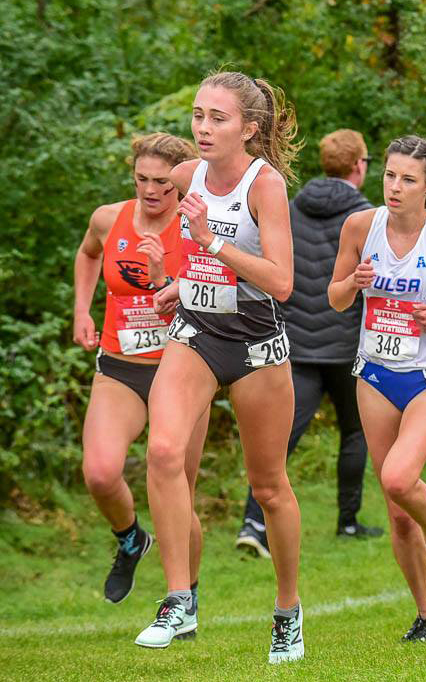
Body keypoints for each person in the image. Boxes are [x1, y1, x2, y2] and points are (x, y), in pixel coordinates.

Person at [138, 71, 305, 663]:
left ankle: (288, 610)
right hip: (197, 336)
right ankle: (179, 598)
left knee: (269, 487)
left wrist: (212, 243)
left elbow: (282, 282)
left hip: (258, 346)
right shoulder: (186, 177)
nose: (203, 128)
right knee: (162, 454)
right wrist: (175, 283)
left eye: (218, 118)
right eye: (198, 115)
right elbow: (184, 253)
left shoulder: (267, 187)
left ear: (249, 129)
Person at [328, 135, 426, 643]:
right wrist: (354, 282)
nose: (394, 186)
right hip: (374, 372)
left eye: (408, 179)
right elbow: (334, 298)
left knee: (397, 478)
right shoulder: (359, 226)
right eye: (390, 175)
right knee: (396, 512)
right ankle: (425, 613)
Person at [73, 133, 208, 605]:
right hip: (121, 365)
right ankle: (131, 539)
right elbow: (89, 253)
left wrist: (160, 279)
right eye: (141, 180)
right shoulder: (109, 219)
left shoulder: (197, 229)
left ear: (182, 185)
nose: (151, 191)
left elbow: (204, 308)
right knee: (100, 472)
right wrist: (82, 310)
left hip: (184, 368)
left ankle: (185, 600)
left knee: (181, 496)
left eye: (163, 184)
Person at [234, 128, 381, 559]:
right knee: (355, 433)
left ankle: (252, 522)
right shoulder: (369, 218)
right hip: (348, 344)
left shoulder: (288, 207)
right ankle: (348, 521)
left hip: (295, 343)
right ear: (358, 166)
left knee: (278, 439)